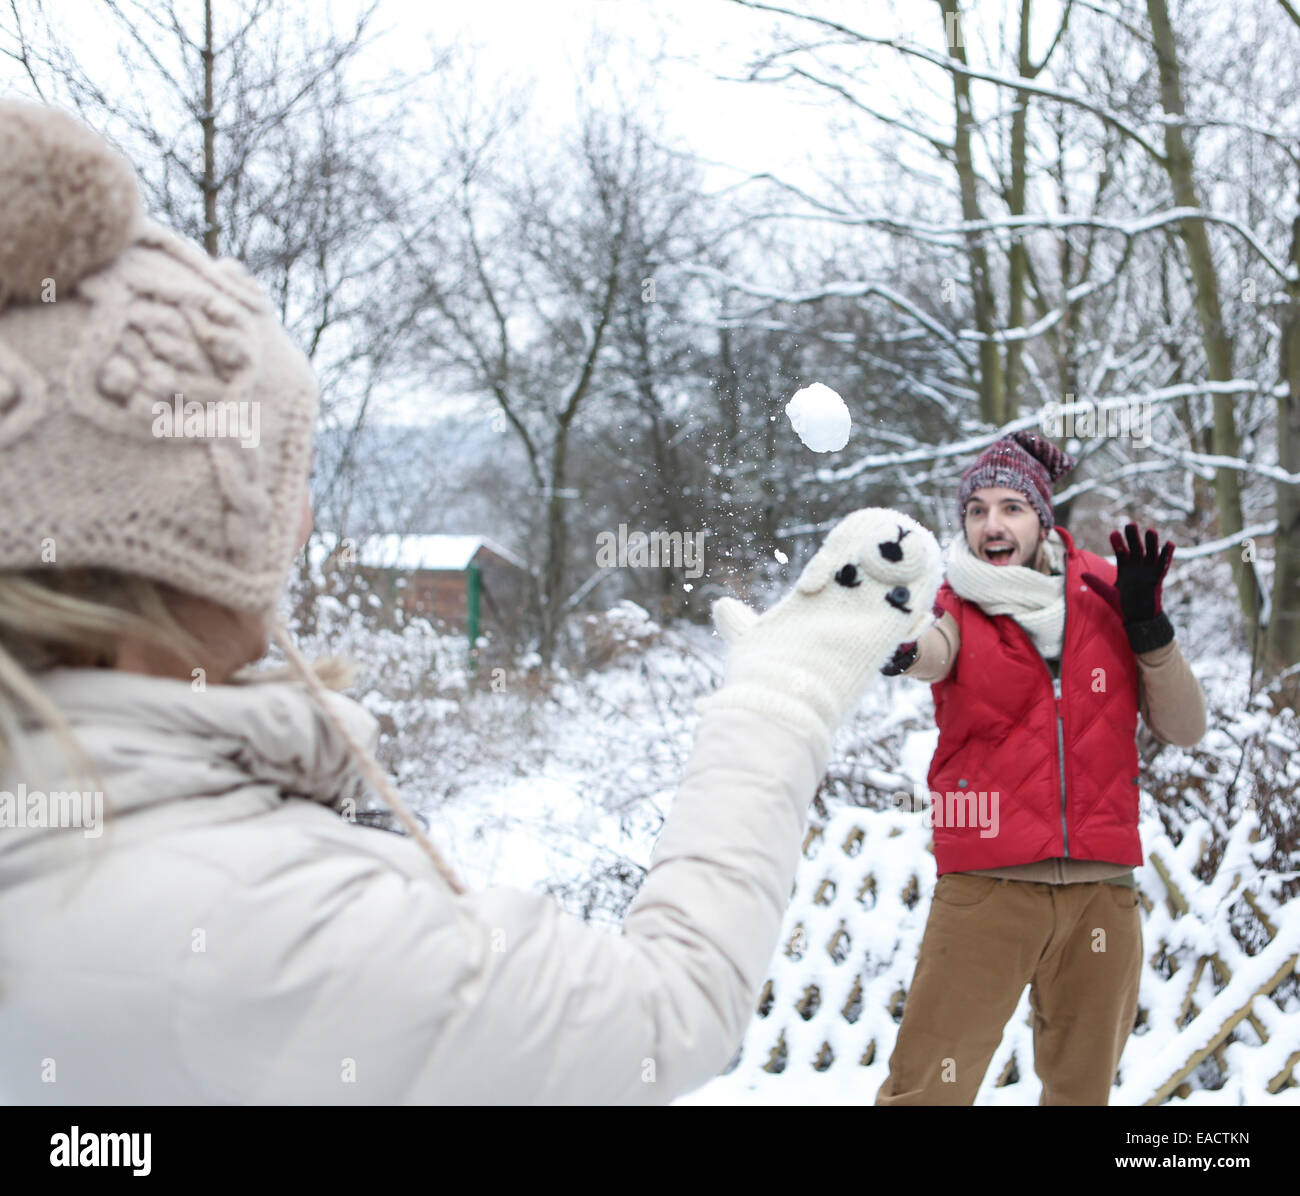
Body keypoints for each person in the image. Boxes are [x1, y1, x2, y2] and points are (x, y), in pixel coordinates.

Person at [0, 101, 943, 1104]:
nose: (303, 518)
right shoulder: (259, 924)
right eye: (283, 480)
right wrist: (780, 700)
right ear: (174, 556)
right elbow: (666, 1012)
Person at [874, 430, 1207, 1106]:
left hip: (1102, 892)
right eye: (976, 511)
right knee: (927, 1091)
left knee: (1081, 1095)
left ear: (1042, 515)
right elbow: (930, 650)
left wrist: (1150, 629)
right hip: (986, 891)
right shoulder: (953, 608)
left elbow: (1185, 728)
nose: (991, 524)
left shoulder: (1110, 595)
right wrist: (896, 642)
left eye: (1010, 507)